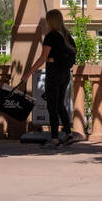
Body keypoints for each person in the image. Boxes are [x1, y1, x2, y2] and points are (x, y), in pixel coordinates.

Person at [20, 9, 78, 148]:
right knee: (60, 105)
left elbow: (42, 58)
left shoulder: (51, 36)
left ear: (50, 21)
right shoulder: (66, 35)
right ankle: (69, 134)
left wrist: (28, 73)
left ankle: (54, 139)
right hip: (65, 74)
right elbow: (71, 55)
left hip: (54, 75)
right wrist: (55, 59)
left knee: (52, 106)